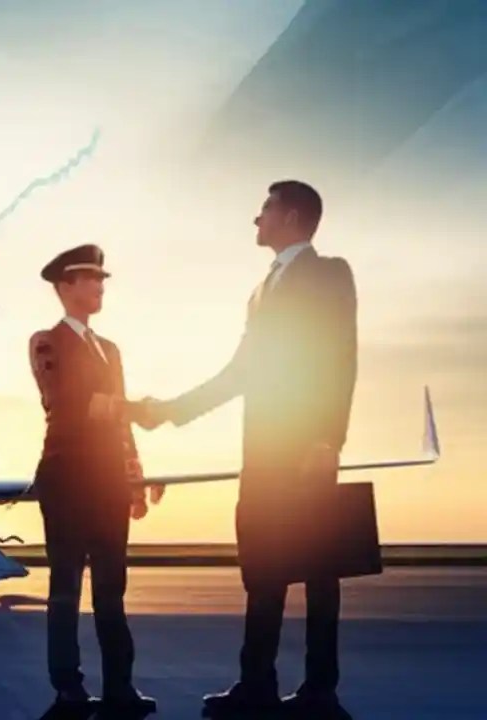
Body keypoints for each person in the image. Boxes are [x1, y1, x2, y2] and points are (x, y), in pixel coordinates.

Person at [134, 180, 357, 718]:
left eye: (265, 209)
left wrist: (329, 438)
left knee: (320, 571)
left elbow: (342, 358)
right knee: (260, 568)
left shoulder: (329, 274)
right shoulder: (261, 292)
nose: (256, 219)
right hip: (261, 452)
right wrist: (170, 411)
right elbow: (239, 373)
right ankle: (255, 684)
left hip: (306, 449)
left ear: (292, 215)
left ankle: (319, 692)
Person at [29, 243, 162, 719]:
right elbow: (66, 403)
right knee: (65, 586)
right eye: (90, 278)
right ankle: (69, 690)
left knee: (112, 588)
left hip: (106, 482)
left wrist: (135, 478)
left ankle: (119, 690)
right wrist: (140, 409)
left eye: (102, 279)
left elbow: (120, 423)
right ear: (65, 287)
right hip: (66, 479)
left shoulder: (111, 350)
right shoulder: (45, 342)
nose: (100, 286)